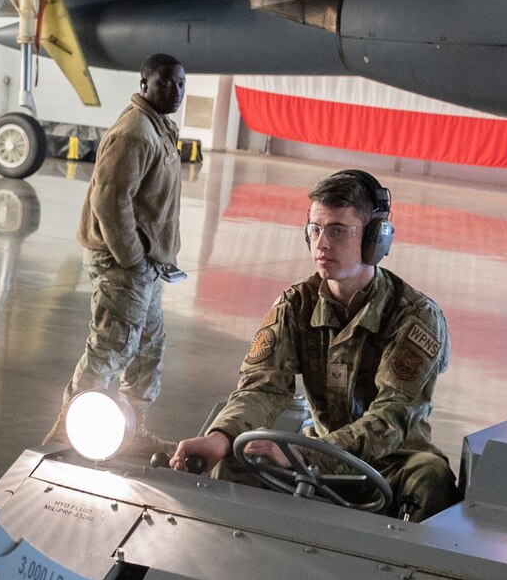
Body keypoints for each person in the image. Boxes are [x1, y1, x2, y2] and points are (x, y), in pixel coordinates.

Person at [170, 168, 457, 519]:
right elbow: (262, 388)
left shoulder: (415, 315)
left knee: (431, 476)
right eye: (315, 229)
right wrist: (220, 438)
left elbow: (392, 418)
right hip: (312, 456)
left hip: (391, 463)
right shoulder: (295, 304)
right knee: (233, 465)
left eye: (338, 230)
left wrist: (307, 453)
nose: (322, 243)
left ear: (374, 240)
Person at [46, 53, 186, 445]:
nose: (174, 91)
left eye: (180, 84)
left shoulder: (158, 128)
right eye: (164, 83)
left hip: (148, 266)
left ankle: (131, 433)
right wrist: (132, 259)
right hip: (124, 265)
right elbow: (109, 201)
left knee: (147, 350)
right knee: (110, 349)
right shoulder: (136, 132)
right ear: (144, 85)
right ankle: (66, 438)